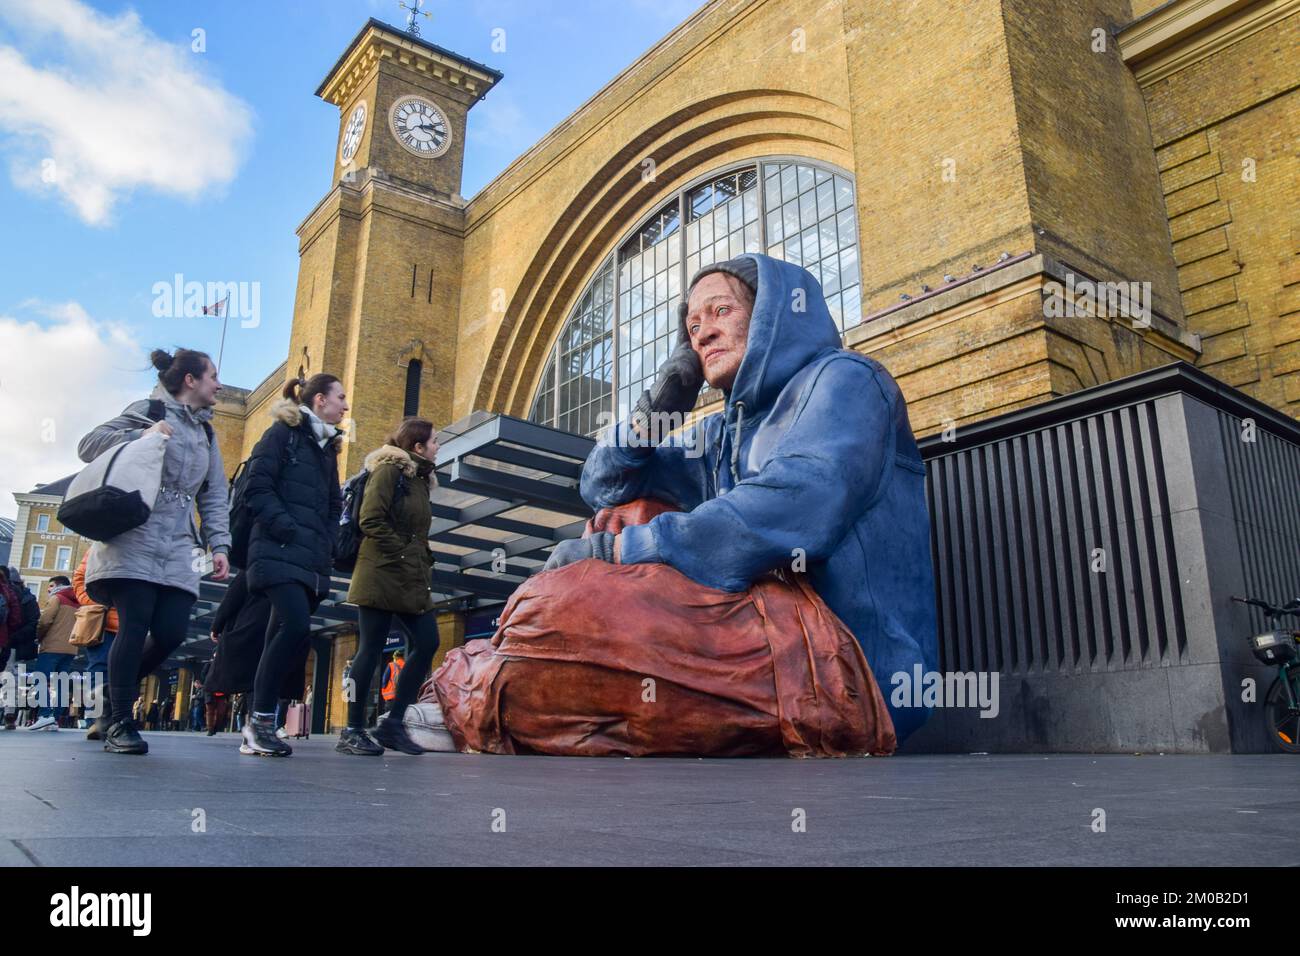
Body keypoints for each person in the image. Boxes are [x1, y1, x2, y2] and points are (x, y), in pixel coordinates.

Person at [557, 253, 938, 744]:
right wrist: (658, 411)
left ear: (772, 315)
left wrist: (622, 552)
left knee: (574, 607)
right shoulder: (720, 432)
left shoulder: (849, 380)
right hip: (762, 634)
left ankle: (481, 700)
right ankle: (483, 698)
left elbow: (792, 506)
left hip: (849, 669)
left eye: (720, 312)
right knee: (586, 575)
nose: (702, 334)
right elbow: (602, 487)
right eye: (692, 326)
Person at [78, 347, 231, 755]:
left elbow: (214, 493)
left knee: (171, 632)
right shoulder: (147, 410)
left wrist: (219, 543)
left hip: (180, 543)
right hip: (135, 533)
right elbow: (89, 443)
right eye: (213, 375)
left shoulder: (206, 433)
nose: (218, 383)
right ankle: (121, 723)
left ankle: (110, 703)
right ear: (190, 381)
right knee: (135, 623)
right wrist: (139, 435)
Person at [240, 374, 346, 756]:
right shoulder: (281, 434)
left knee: (279, 633)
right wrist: (287, 528)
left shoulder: (325, 449)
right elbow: (257, 487)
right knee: (294, 626)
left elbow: (335, 504)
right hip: (278, 550)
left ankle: (255, 725)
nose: (345, 406)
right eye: (341, 397)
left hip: (308, 557)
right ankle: (262, 722)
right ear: (319, 400)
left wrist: (328, 539)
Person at [338, 419, 440, 756]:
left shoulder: (420, 481)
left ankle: (392, 724)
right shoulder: (389, 471)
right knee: (370, 648)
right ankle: (351, 730)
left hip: (409, 575)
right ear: (417, 447)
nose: (438, 446)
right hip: (380, 571)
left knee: (428, 642)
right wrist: (402, 551)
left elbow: (417, 533)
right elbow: (370, 519)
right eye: (434, 441)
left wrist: (422, 558)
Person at [73, 552, 118, 741]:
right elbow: (79, 579)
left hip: (130, 624)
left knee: (118, 671)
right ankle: (98, 719)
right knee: (98, 668)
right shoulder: (99, 546)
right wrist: (98, 603)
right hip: (102, 623)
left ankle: (115, 719)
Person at [25, 576, 78, 731]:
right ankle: (55, 719)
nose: (48, 589)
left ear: (59, 585)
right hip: (70, 649)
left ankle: (44, 715)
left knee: (40, 680)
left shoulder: (56, 598)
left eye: (51, 585)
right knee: (61, 684)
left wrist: (39, 637)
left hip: (51, 647)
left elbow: (44, 621)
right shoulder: (77, 601)